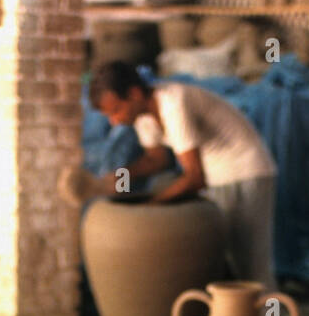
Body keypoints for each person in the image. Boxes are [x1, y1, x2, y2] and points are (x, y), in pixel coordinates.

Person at [89, 59, 277, 284]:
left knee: (250, 267)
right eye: (109, 115)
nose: (115, 121)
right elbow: (155, 160)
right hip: (219, 175)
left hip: (246, 170)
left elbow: (195, 178)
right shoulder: (143, 116)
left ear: (135, 93)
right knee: (223, 265)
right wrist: (116, 178)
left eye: (116, 110)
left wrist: (153, 205)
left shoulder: (174, 103)